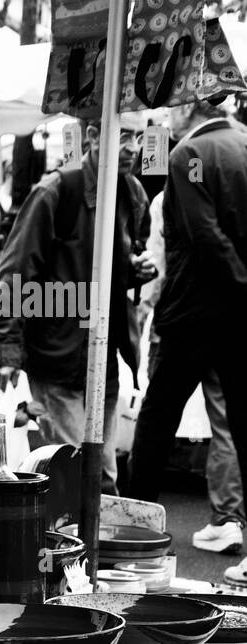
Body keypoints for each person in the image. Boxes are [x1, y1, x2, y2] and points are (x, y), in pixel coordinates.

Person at [0, 113, 154, 493]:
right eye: (123, 136)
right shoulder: (55, 191)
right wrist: (5, 346)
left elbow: (111, 268)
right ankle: (68, 549)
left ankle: (96, 551)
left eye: (138, 137)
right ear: (93, 136)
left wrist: (134, 269)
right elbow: (13, 271)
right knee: (78, 474)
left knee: (104, 475)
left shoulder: (132, 193)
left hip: (104, 355)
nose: (133, 147)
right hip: (57, 355)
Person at [128, 97, 247, 533]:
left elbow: (203, 233)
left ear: (191, 107)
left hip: (194, 311)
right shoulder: (241, 143)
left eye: (173, 106)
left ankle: (135, 531)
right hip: (236, 317)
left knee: (158, 418)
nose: (166, 116)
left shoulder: (189, 154)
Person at [139, 186, 245, 554]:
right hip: (230, 320)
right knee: (226, 422)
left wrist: (145, 309)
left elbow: (159, 263)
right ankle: (227, 519)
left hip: (181, 319)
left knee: (158, 417)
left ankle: (144, 522)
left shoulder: (168, 198)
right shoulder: (233, 190)